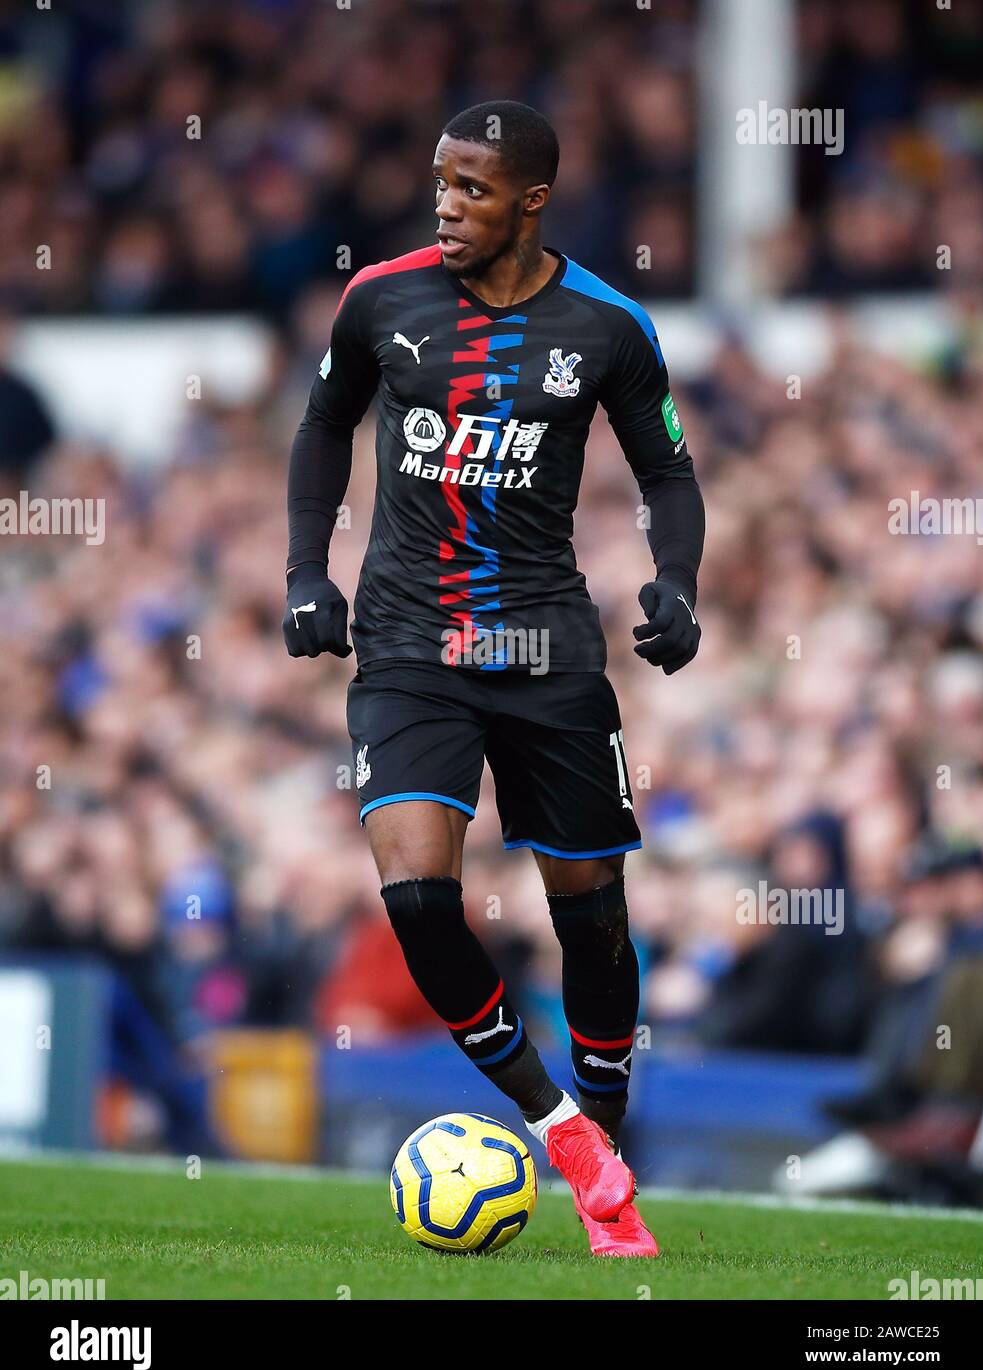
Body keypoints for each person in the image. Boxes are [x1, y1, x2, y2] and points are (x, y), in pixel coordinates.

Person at [282, 101, 705, 1256]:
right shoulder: (381, 298)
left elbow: (669, 471)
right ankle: (558, 1126)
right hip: (411, 644)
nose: (445, 204)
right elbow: (323, 429)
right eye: (439, 183)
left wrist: (676, 583)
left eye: (471, 189)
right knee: (418, 893)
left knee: (593, 918)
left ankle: (604, 1144)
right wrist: (304, 573)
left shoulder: (608, 324)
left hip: (545, 648)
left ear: (531, 199)